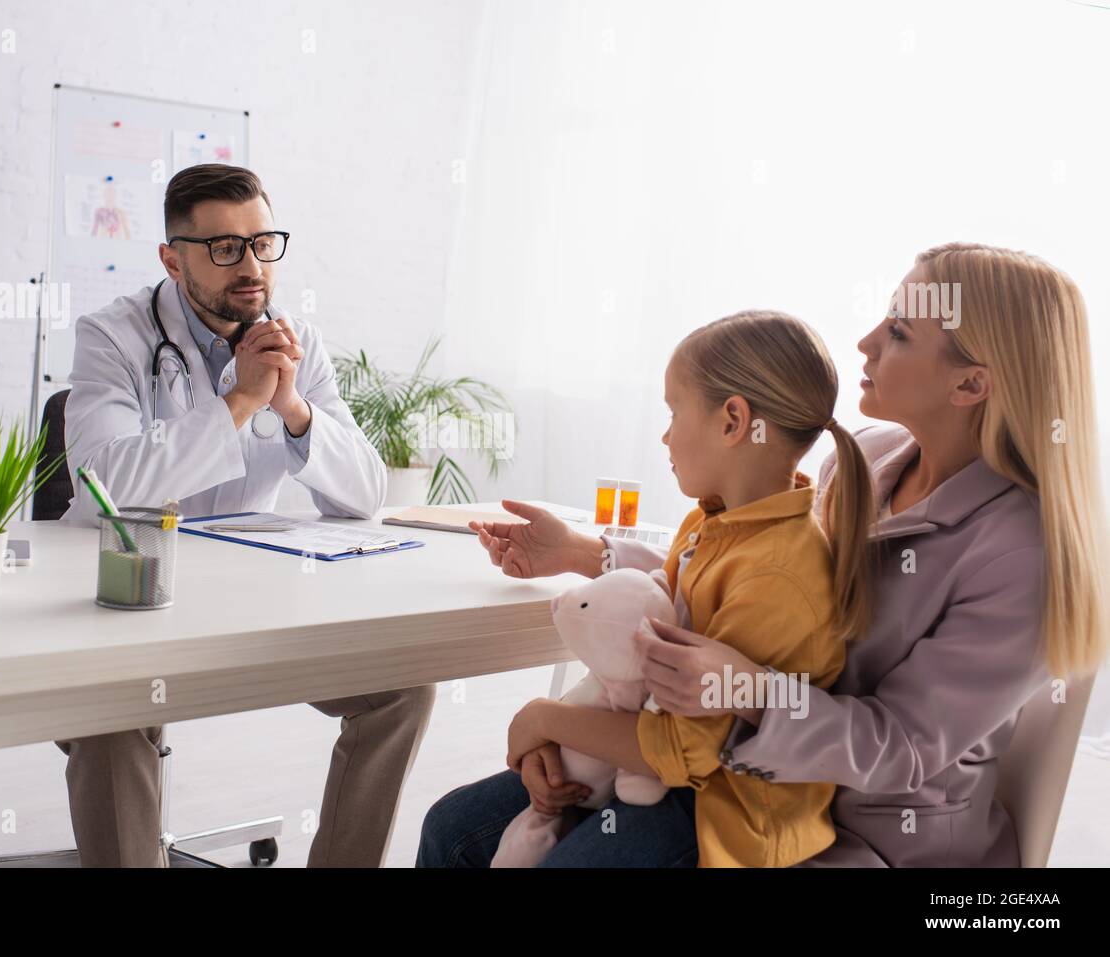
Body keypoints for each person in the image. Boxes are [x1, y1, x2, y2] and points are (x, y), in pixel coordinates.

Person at [425, 243, 1108, 867]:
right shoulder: (866, 458)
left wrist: (750, 690)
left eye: (899, 333)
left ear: (971, 386)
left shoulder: (1021, 556)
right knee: (452, 830)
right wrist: (590, 553)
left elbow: (898, 746)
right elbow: (749, 558)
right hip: (736, 785)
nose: (866, 343)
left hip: (865, 841)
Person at [57, 163, 435, 867]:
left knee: (401, 685)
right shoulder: (113, 336)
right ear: (173, 259)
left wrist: (292, 408)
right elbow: (104, 482)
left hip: (246, 601)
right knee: (111, 720)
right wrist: (239, 403)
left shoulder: (296, 343)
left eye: (263, 242)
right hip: (128, 600)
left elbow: (365, 493)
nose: (252, 265)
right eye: (225, 248)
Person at [422, 311, 870, 867]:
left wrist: (543, 719)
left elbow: (685, 749)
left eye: (673, 410)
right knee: (449, 827)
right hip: (648, 766)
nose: (664, 433)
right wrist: (560, 738)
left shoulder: (778, 574)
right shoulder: (708, 523)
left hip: (717, 808)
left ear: (733, 421)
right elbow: (630, 664)